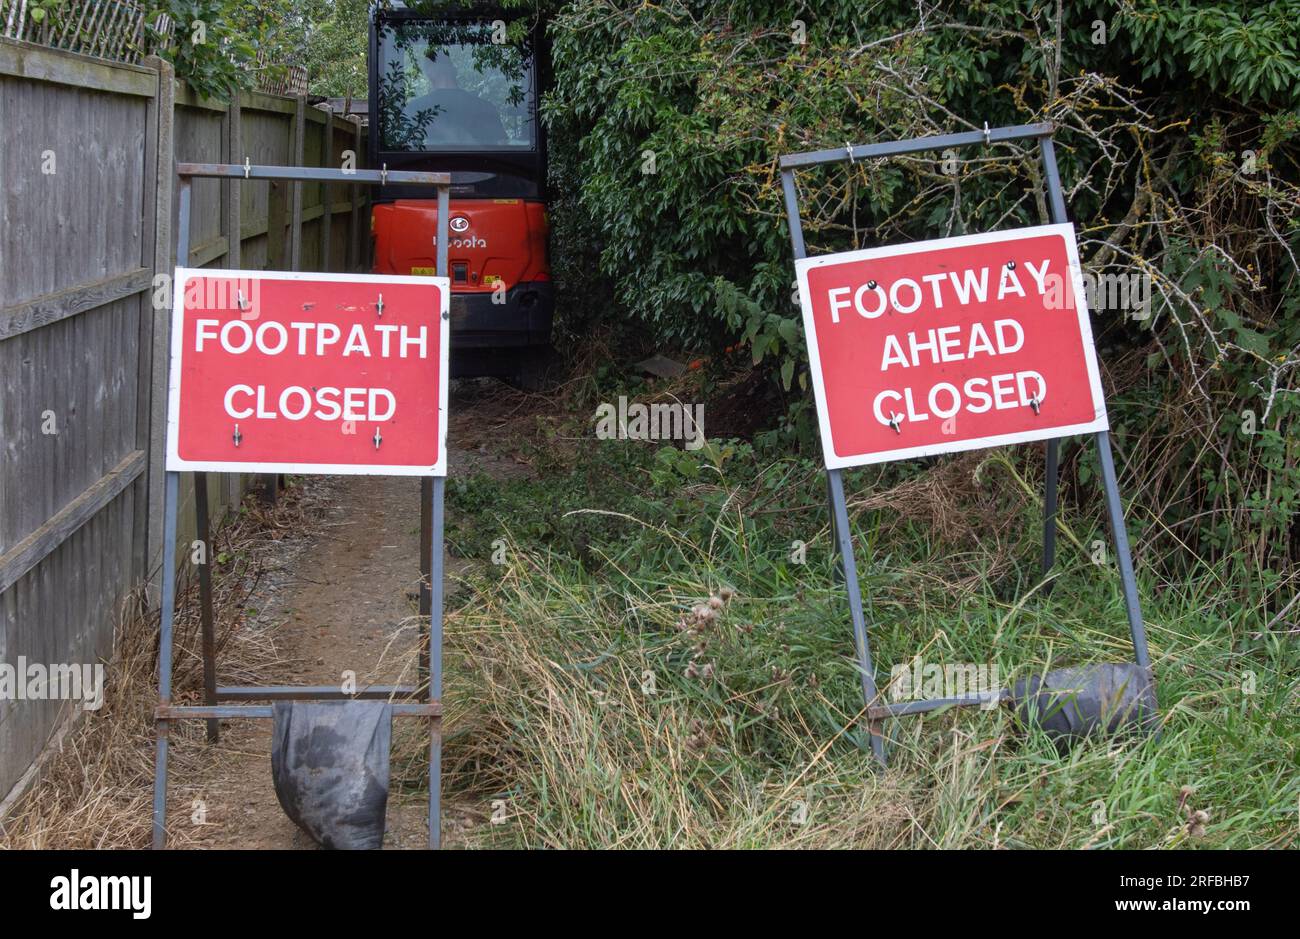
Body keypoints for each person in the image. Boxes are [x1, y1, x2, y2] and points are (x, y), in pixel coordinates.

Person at [406, 50, 508, 146]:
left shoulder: (415, 109)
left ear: (429, 73)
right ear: (454, 70)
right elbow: (503, 147)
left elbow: (405, 148)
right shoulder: (485, 107)